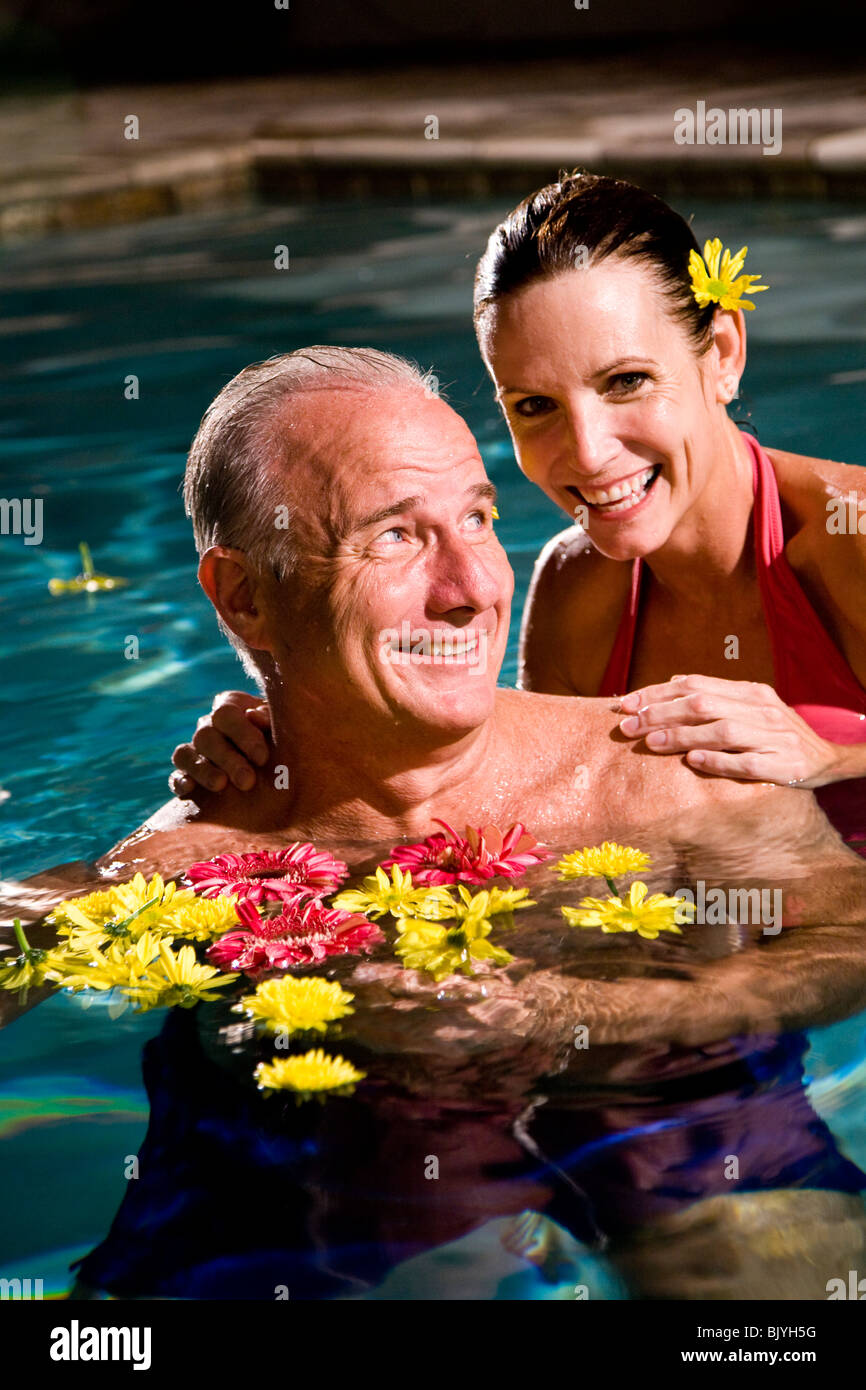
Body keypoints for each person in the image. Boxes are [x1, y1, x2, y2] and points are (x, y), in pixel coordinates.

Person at [173, 174, 866, 854]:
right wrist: (289, 727)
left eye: (626, 382)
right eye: (535, 407)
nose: (588, 453)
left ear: (721, 355)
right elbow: (513, 776)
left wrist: (831, 758)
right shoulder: (573, 590)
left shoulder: (850, 534)